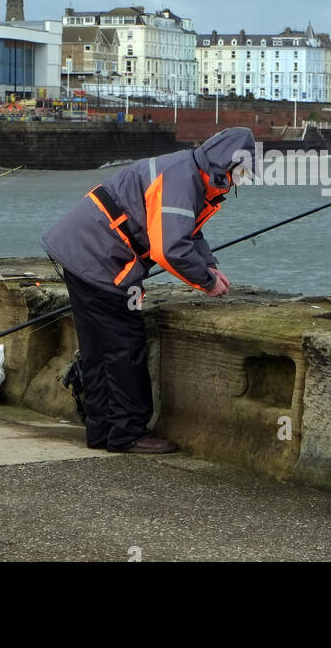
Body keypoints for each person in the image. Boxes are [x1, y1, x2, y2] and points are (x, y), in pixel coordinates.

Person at [42, 127, 255, 454]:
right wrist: (208, 283)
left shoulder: (186, 170)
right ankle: (128, 432)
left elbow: (189, 232)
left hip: (81, 248)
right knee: (125, 346)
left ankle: (101, 430)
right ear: (225, 163)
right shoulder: (183, 180)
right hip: (100, 258)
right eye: (239, 172)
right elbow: (169, 249)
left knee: (97, 349)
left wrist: (208, 265)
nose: (239, 180)